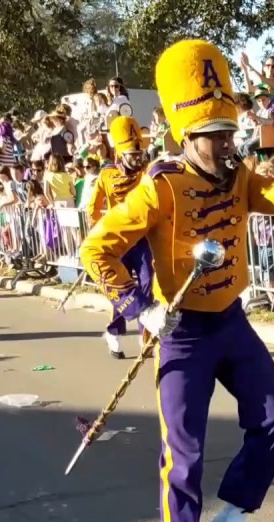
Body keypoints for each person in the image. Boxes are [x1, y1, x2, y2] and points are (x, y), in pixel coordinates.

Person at [78, 38, 274, 522]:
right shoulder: (160, 186)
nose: (226, 143)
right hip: (182, 332)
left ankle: (233, 516)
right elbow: (99, 249)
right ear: (186, 138)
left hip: (230, 319)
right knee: (185, 453)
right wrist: (139, 305)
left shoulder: (237, 171)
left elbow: (272, 194)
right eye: (214, 135)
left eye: (229, 132)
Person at [85, 116, 153, 359]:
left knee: (147, 284)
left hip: (143, 239)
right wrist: (100, 230)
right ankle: (114, 330)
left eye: (140, 154)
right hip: (117, 242)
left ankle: (146, 335)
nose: (138, 159)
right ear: (120, 154)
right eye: (133, 155)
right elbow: (93, 208)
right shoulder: (106, 175)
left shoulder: (147, 172)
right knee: (121, 288)